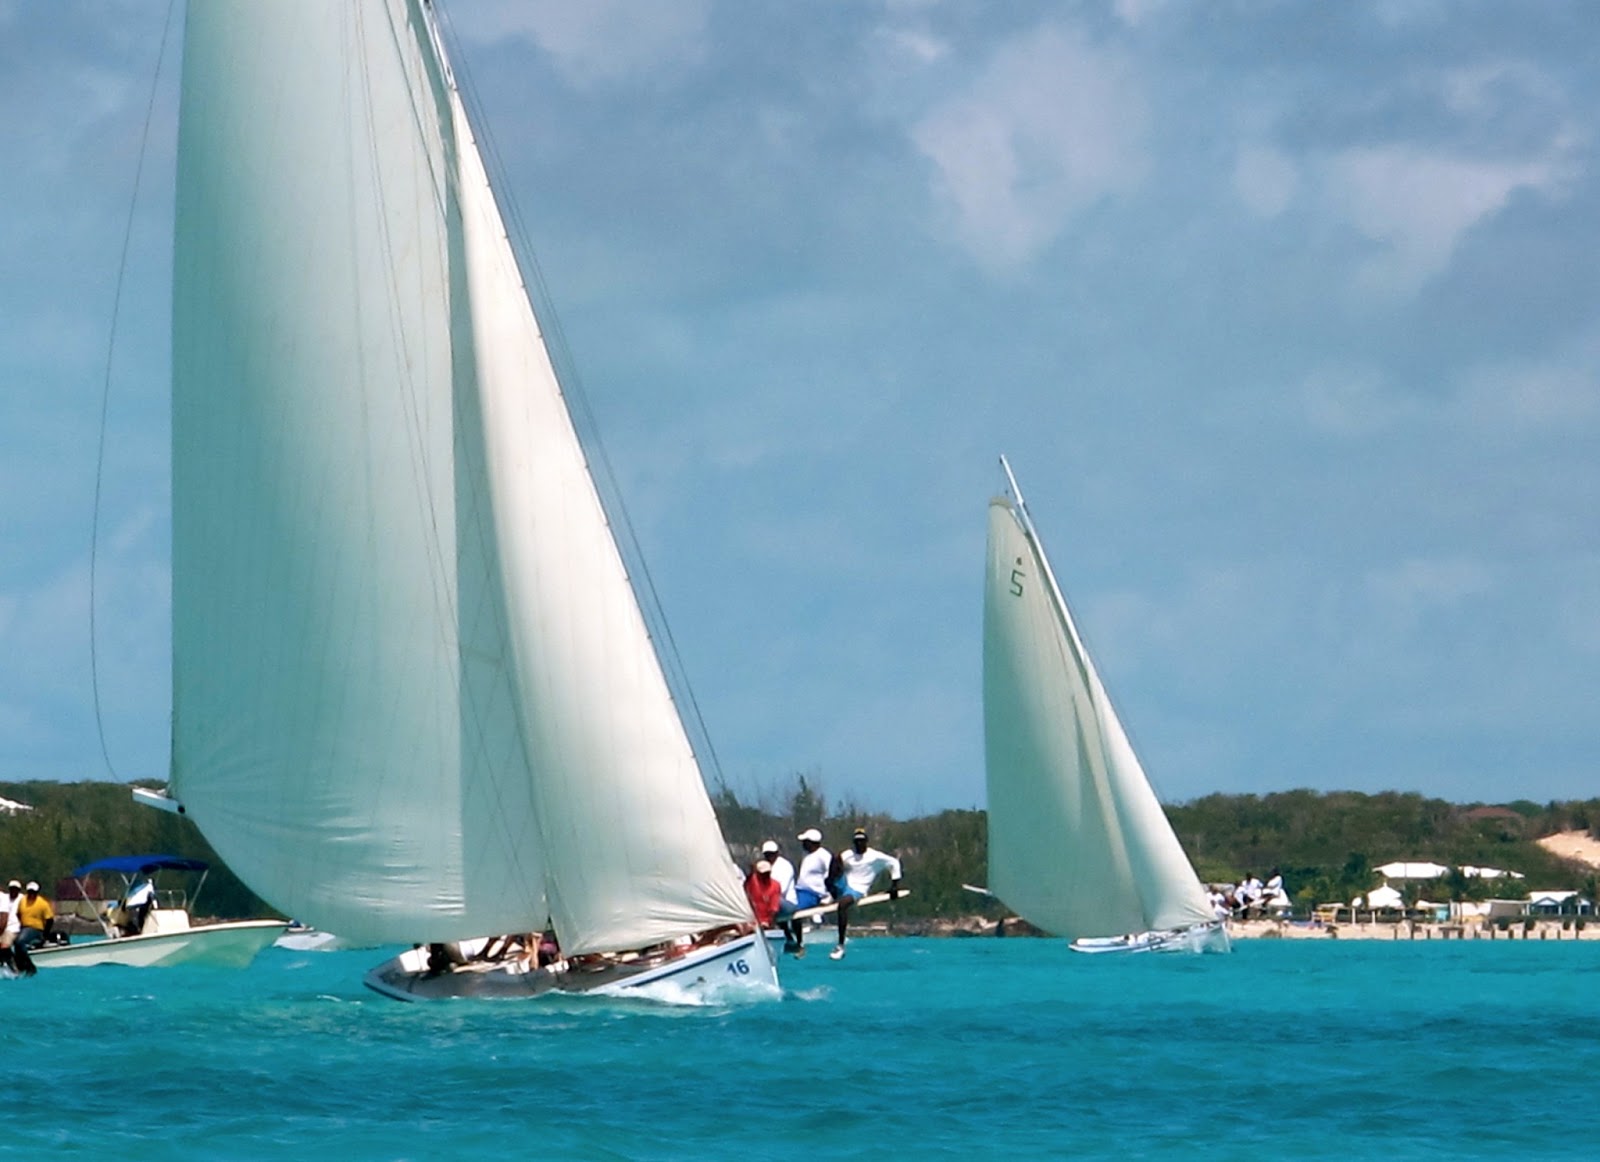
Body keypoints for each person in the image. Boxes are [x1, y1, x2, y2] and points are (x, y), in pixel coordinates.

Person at [828, 827, 902, 960]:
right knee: (834, 861)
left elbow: (894, 863)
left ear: (866, 842)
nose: (859, 844)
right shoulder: (847, 854)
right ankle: (828, 896)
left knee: (843, 905)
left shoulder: (875, 856)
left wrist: (894, 886)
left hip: (858, 889)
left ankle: (840, 945)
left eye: (862, 841)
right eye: (856, 841)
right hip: (843, 885)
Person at [791, 828, 832, 957]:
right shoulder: (807, 855)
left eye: (805, 841)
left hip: (812, 893)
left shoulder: (824, 855)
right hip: (798, 890)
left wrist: (827, 896)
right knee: (786, 909)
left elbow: (831, 874)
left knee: (795, 911)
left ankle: (799, 943)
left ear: (812, 842)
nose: (803, 844)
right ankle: (792, 940)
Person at [762, 839, 801, 954]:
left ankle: (769, 929)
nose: (769, 857)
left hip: (788, 903)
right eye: (767, 855)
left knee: (774, 901)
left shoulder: (784, 866)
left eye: (772, 854)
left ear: (777, 853)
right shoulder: (765, 866)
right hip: (771, 901)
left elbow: (781, 890)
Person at [14, 881, 55, 971]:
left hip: (36, 929)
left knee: (19, 941)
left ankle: (28, 965)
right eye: (30, 892)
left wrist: (45, 935)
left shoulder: (42, 903)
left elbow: (50, 920)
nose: (31, 894)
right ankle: (18, 962)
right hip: (24, 928)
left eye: (34, 892)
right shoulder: (23, 900)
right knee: (15, 942)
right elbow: (18, 914)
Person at [744, 859, 782, 929]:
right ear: (757, 873)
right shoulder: (751, 882)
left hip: (765, 922)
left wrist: (769, 923)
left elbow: (774, 909)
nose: (765, 876)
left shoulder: (775, 885)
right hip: (750, 919)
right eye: (763, 874)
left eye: (767, 873)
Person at [0, 880, 18, 973]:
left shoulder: (2, 898)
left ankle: (13, 968)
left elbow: (3, 920)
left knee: (4, 945)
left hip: (7, 928)